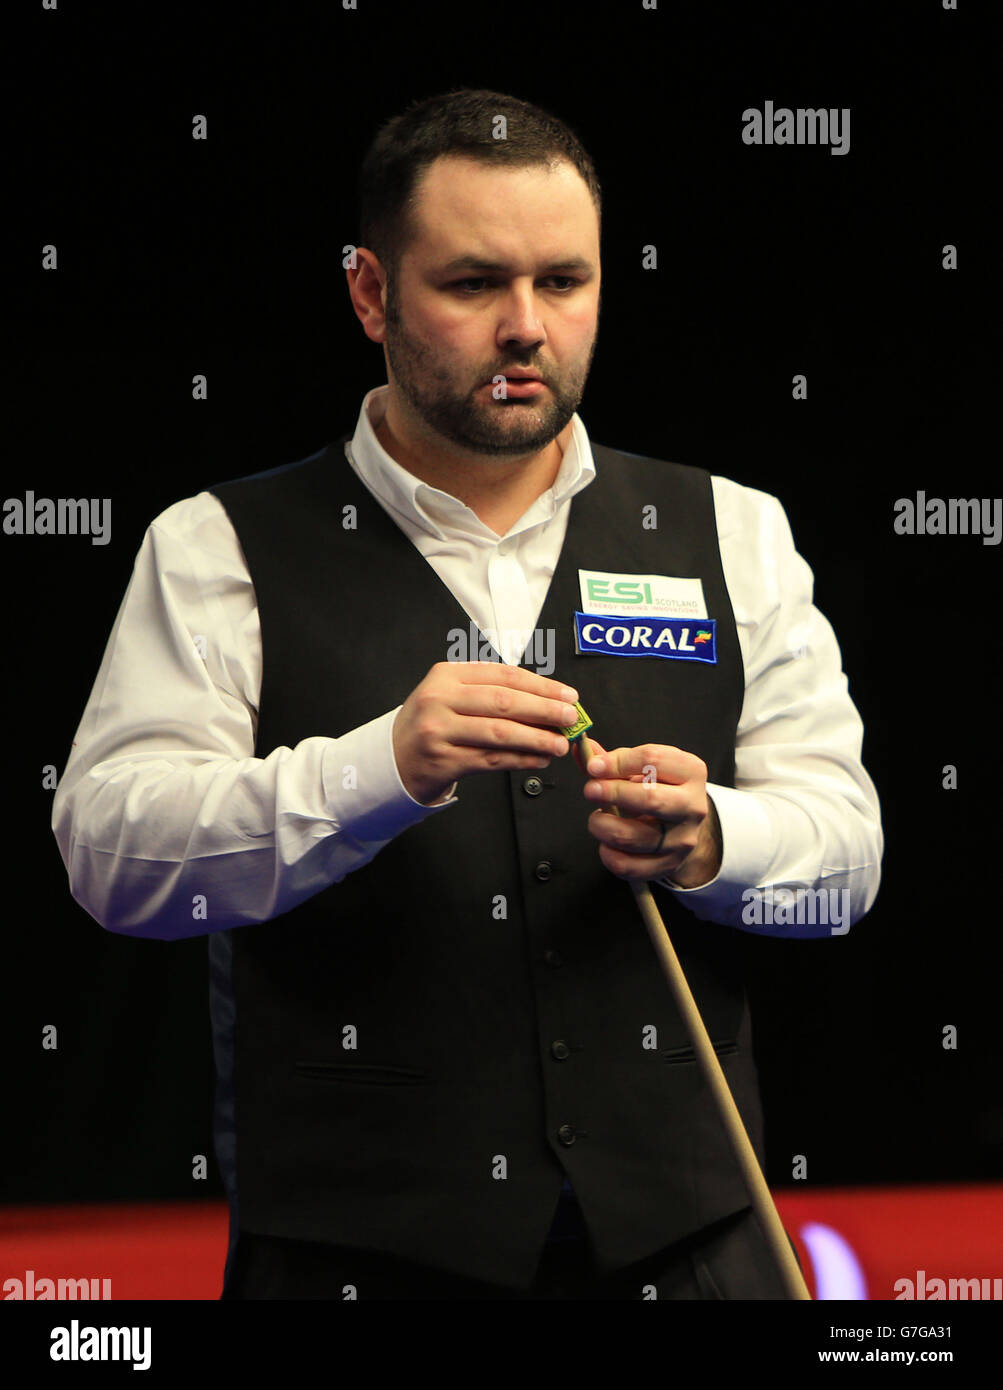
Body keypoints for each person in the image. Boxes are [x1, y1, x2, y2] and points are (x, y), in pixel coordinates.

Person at [51, 87, 883, 1300]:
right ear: (370, 292)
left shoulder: (732, 530)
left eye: (563, 281)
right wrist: (378, 768)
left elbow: (849, 857)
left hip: (689, 1248)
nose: (525, 327)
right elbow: (111, 859)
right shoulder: (217, 543)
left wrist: (719, 837)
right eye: (472, 283)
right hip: (356, 1256)